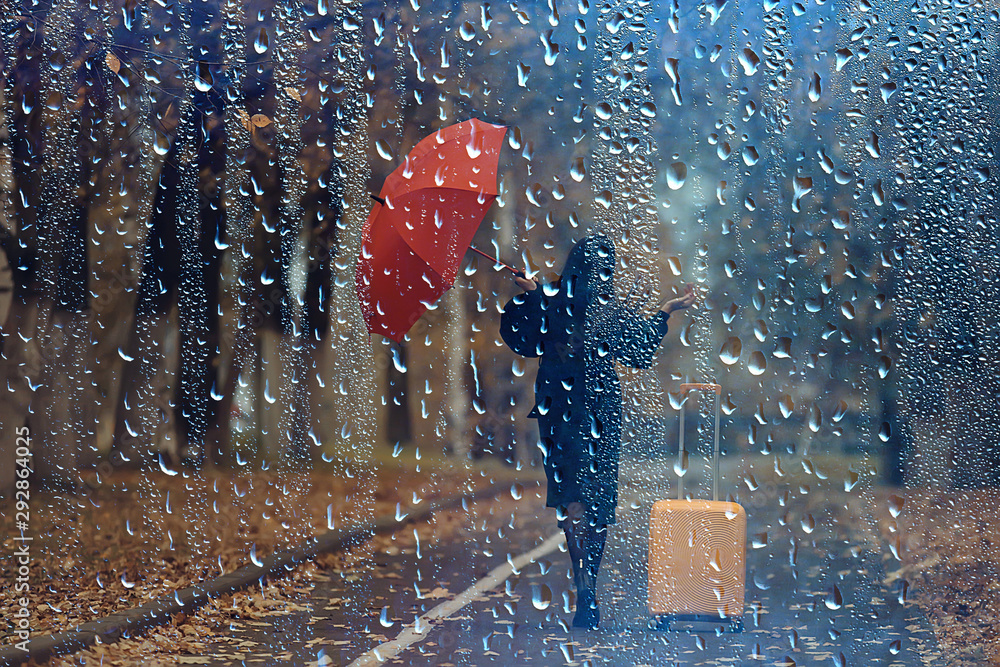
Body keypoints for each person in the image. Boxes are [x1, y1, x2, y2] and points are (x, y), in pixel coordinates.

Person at [499, 234, 697, 629]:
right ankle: (590, 583)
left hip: (558, 409)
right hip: (601, 411)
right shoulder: (609, 309)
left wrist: (531, 295)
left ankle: (582, 580)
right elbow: (639, 352)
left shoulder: (551, 298)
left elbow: (523, 340)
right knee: (598, 498)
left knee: (571, 496)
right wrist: (664, 312)